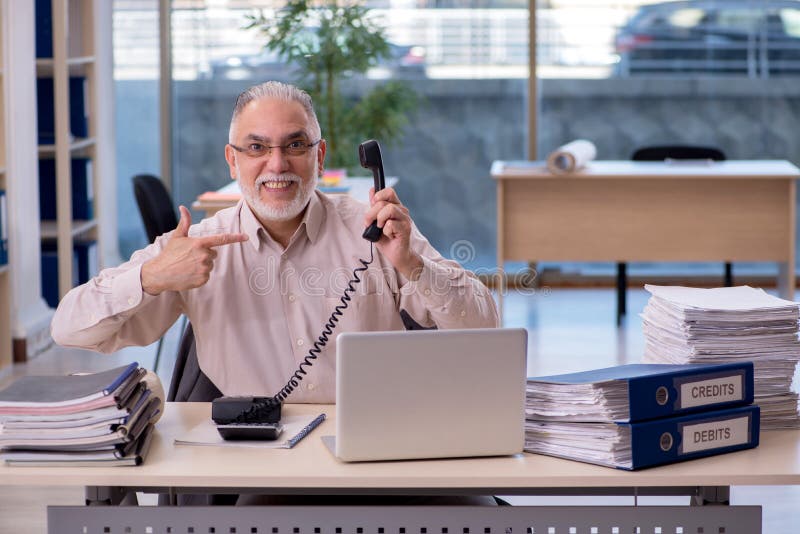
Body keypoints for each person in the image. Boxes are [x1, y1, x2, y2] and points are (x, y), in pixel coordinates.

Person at [51, 81, 499, 402]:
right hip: (258, 459)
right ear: (232, 160)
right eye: (257, 147)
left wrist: (413, 265)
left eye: (295, 145)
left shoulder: (378, 230)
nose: (277, 164)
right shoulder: (196, 245)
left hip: (374, 440)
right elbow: (68, 328)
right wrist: (150, 277)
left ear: (319, 156)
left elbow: (486, 329)